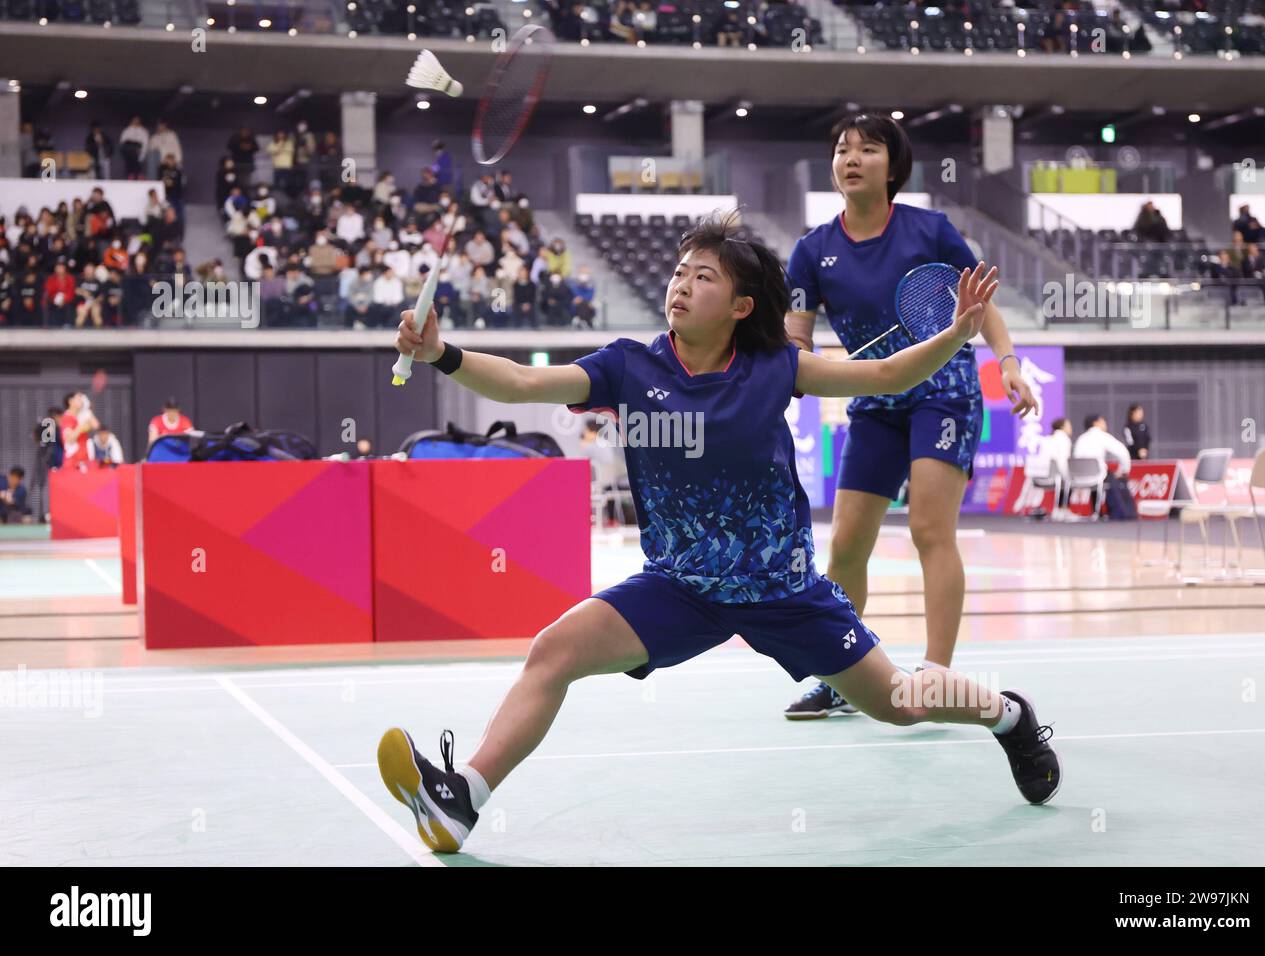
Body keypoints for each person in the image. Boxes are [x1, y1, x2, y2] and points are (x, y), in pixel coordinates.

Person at [378, 211, 1060, 854]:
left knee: (902, 702)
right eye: (680, 272)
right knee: (554, 650)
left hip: (784, 592)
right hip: (680, 587)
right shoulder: (628, 366)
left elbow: (883, 373)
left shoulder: (774, 369)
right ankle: (462, 798)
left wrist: (955, 334)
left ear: (741, 307)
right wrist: (443, 352)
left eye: (705, 276)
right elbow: (526, 381)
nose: (683, 284)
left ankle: (1008, 714)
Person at [781, 113, 1038, 720]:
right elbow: (798, 334)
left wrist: (1007, 362)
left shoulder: (930, 229)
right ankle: (843, 674)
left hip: (944, 390)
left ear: (892, 168)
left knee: (929, 529)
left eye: (867, 150)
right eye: (843, 149)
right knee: (846, 545)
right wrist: (787, 370)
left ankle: (937, 674)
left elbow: (979, 303)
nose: (851, 159)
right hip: (875, 399)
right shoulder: (812, 251)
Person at [60, 392, 98, 468]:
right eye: (78, 398)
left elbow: (96, 425)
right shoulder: (67, 418)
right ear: (70, 401)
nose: (82, 400)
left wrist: (87, 409)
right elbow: (69, 439)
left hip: (84, 459)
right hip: (73, 461)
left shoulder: (81, 416)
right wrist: (80, 427)